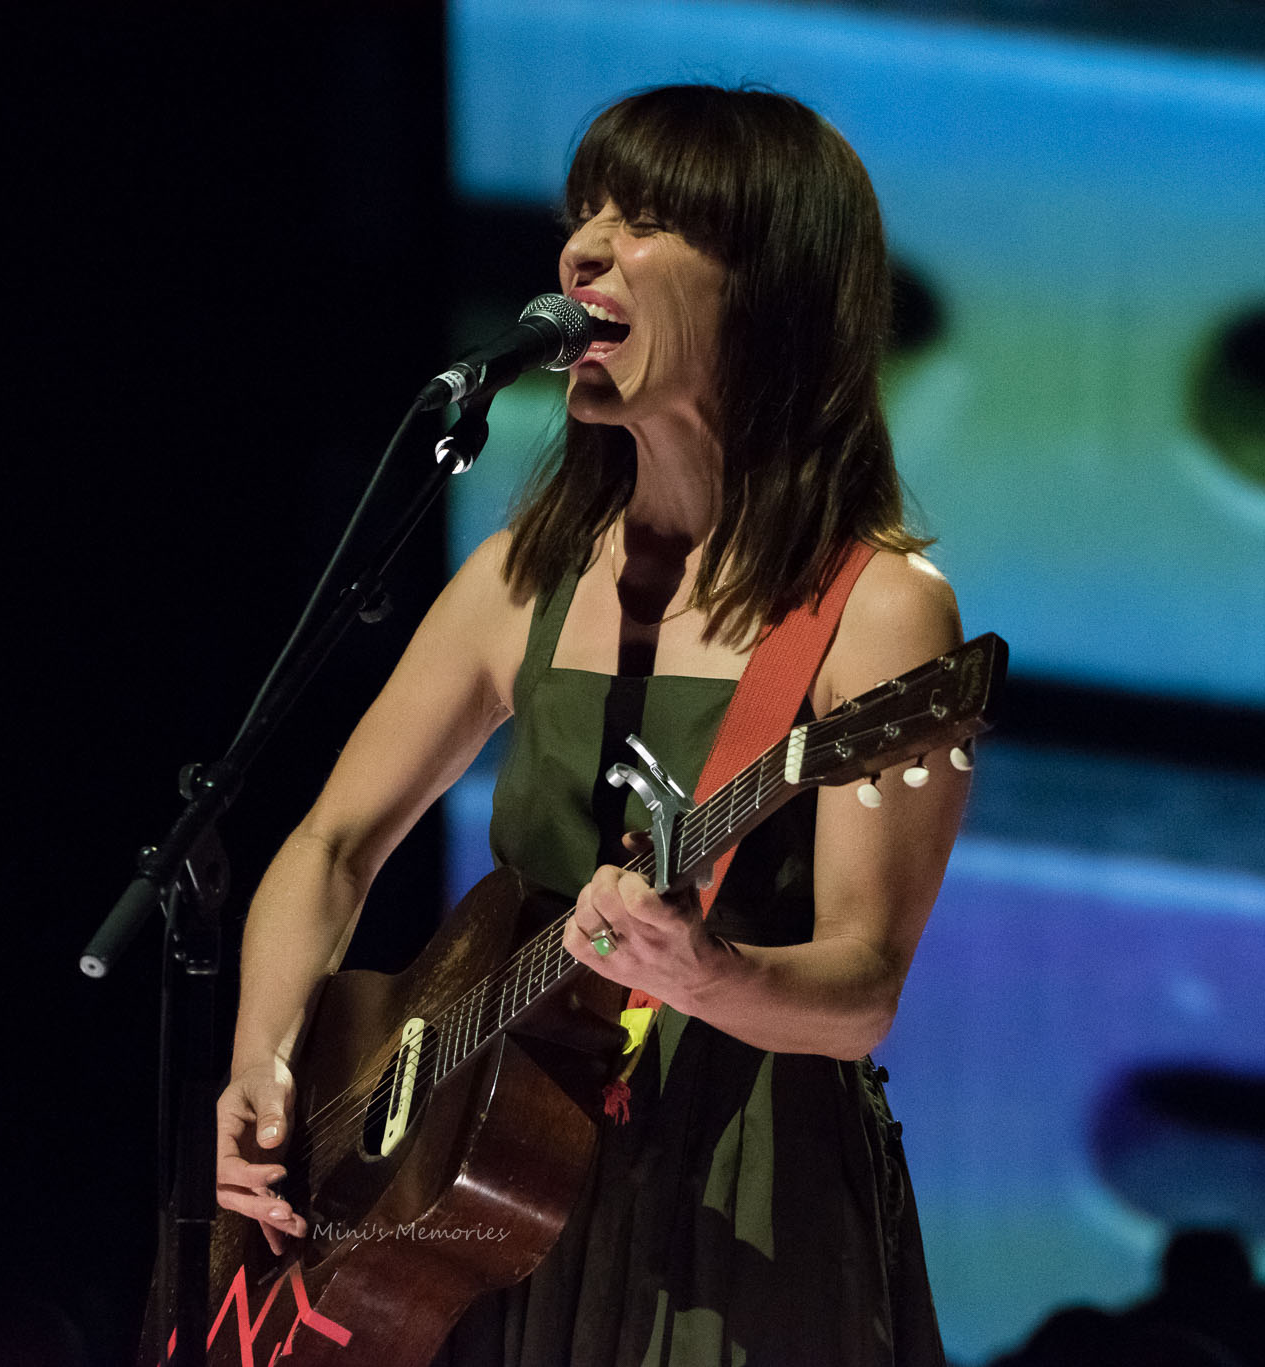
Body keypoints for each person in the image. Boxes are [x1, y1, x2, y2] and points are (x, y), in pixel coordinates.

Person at [214, 84, 966, 1366]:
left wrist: (705, 973)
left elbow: (860, 988)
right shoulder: (523, 574)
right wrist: (265, 1058)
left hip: (739, 1191)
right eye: (585, 214)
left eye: (647, 222)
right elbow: (331, 844)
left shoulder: (878, 609)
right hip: (479, 1175)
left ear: (769, 287)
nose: (581, 251)